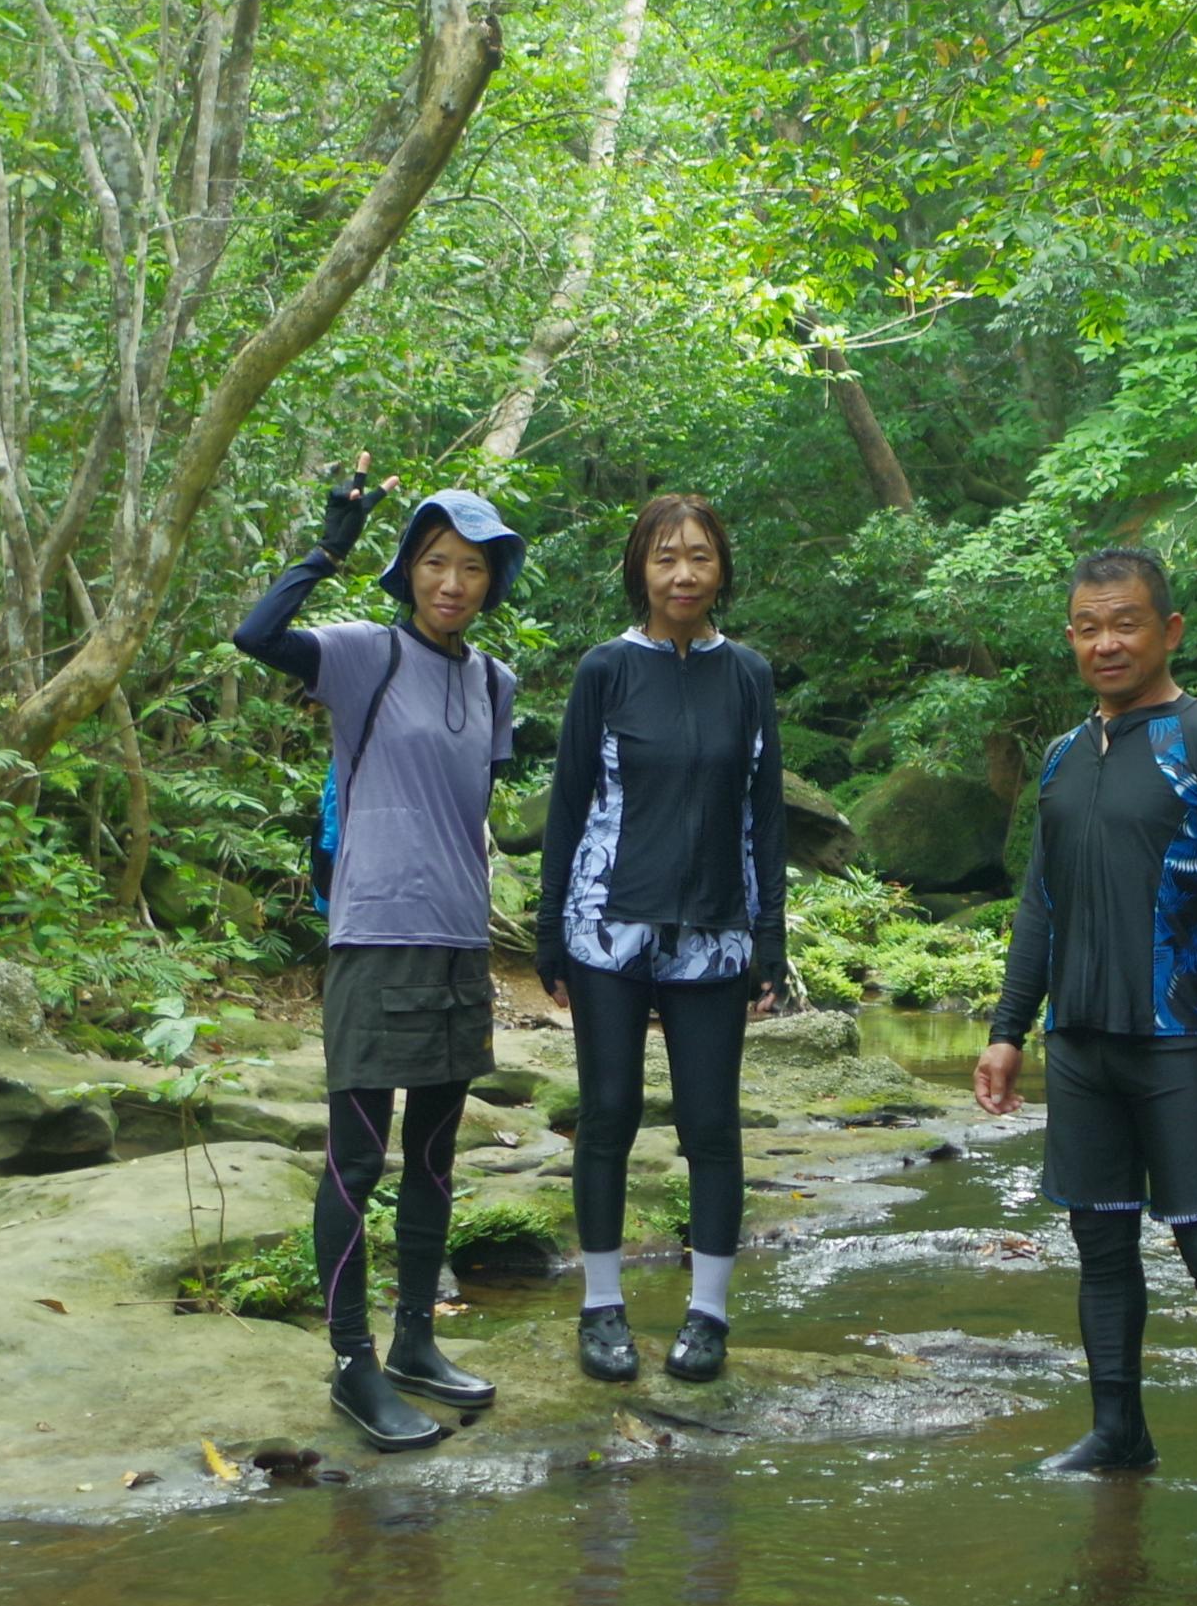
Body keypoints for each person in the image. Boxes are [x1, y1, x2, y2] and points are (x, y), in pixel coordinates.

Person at [971, 549, 1197, 1518]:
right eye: (1088, 627)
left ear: (1168, 630)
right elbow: (1039, 903)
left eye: (1127, 624)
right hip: (1084, 1046)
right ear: (1071, 637)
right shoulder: (1065, 757)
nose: (1107, 642)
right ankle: (1119, 1431)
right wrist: (1008, 1028)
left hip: (1181, 1042)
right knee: (1098, 1245)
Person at [231, 464, 526, 1453]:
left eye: (473, 568)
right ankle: (353, 1364)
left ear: (493, 582)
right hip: (372, 938)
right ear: (409, 572)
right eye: (436, 563)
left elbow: (469, 813)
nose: (453, 582)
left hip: (455, 944)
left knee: (437, 1160)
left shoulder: (494, 683)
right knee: (358, 1161)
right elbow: (257, 636)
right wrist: (326, 551)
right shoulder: (366, 656)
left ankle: (412, 1345)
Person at [533, 493, 788, 1387]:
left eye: (700, 557)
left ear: (723, 569)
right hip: (608, 923)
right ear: (639, 569)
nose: (683, 574)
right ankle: (601, 1310)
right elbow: (569, 802)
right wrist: (548, 930)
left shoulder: (748, 674)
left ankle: (707, 1316)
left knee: (711, 1126)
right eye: (665, 558)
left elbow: (762, 812)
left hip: (714, 932)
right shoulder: (606, 669)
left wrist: (771, 941)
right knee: (607, 1116)